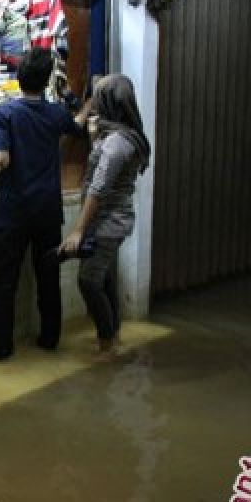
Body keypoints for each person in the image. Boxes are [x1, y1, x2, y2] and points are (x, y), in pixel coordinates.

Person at [0, 47, 91, 360]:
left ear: (19, 77)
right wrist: (87, 102)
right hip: (47, 211)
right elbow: (79, 126)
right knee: (48, 279)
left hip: (14, 212)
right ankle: (50, 340)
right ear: (46, 80)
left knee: (5, 282)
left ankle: (3, 349)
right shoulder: (56, 114)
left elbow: (1, 159)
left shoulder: (4, 114)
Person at [56, 74, 150, 357]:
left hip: (108, 222)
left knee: (88, 281)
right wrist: (94, 136)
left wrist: (78, 231)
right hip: (112, 219)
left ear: (110, 104)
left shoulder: (116, 143)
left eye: (99, 98)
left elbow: (98, 188)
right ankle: (114, 334)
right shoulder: (121, 135)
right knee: (104, 276)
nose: (94, 104)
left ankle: (107, 344)